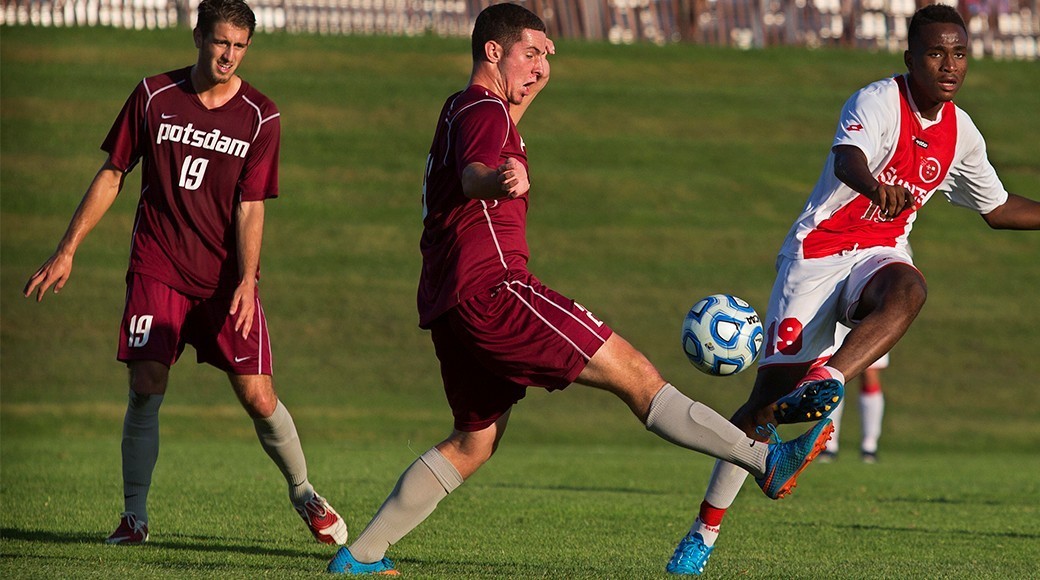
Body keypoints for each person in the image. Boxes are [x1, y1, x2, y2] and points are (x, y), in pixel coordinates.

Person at [325, 3, 833, 576]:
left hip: (451, 303)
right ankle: (766, 461)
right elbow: (473, 175)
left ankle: (360, 557)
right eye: (531, 54)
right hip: (495, 289)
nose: (542, 67)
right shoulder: (485, 111)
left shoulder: (465, 107)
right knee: (636, 376)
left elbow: (492, 134)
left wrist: (528, 89)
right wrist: (498, 179)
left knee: (473, 442)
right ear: (493, 52)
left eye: (548, 58)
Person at [666, 4, 1040, 575]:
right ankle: (704, 532)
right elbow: (848, 159)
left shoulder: (962, 133)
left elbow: (997, 208)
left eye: (959, 53)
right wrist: (875, 187)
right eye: (936, 53)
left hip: (878, 255)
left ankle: (830, 378)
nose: (949, 65)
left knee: (910, 289)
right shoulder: (877, 100)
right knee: (763, 410)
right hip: (816, 256)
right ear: (909, 57)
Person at [23, 0, 346, 547]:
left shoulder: (261, 115)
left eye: (240, 46)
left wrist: (247, 281)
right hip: (159, 266)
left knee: (259, 397)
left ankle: (303, 491)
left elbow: (251, 205)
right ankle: (134, 518)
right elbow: (113, 173)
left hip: (224, 282)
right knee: (146, 385)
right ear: (198, 35)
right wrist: (67, 248)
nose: (229, 55)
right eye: (221, 41)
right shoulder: (153, 95)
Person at [820, 323, 888, 464]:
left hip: (869, 311)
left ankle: (869, 446)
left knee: (870, 371)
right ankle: (828, 444)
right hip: (836, 309)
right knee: (833, 373)